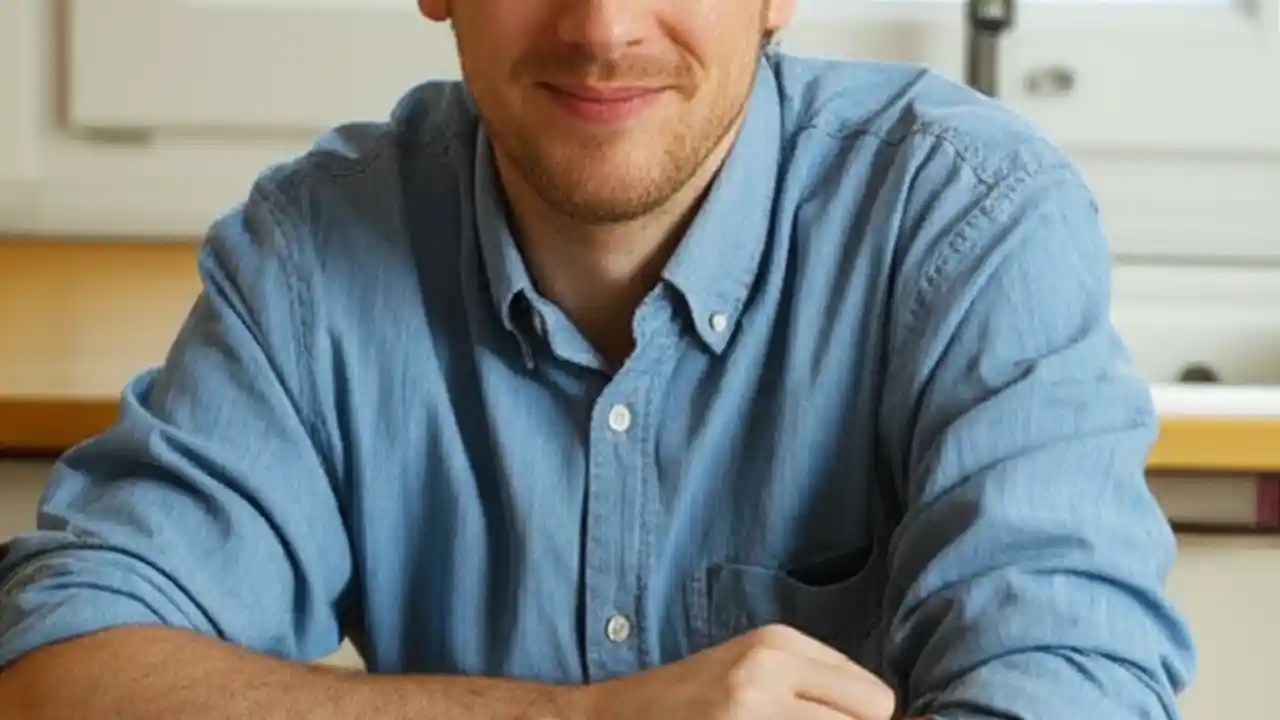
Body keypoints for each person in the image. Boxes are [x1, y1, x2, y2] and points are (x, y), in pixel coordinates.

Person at [0, 0, 1195, 718]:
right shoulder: (314, 255)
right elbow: (58, 674)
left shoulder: (968, 220)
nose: (603, 28)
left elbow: (1069, 687)